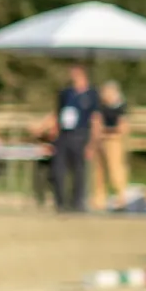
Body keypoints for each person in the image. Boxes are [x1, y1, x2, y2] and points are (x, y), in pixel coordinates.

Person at [49, 64, 98, 212]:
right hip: (64, 135)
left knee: (79, 171)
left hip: (81, 134)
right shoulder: (66, 93)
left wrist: (92, 144)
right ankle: (60, 203)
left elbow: (96, 120)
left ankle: (77, 202)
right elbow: (57, 114)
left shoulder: (92, 95)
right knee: (58, 169)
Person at [89, 80, 130, 210]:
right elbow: (97, 122)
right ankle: (99, 199)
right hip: (101, 140)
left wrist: (106, 131)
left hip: (114, 140)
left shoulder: (121, 107)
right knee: (99, 170)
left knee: (115, 168)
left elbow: (122, 127)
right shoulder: (101, 106)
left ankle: (121, 197)